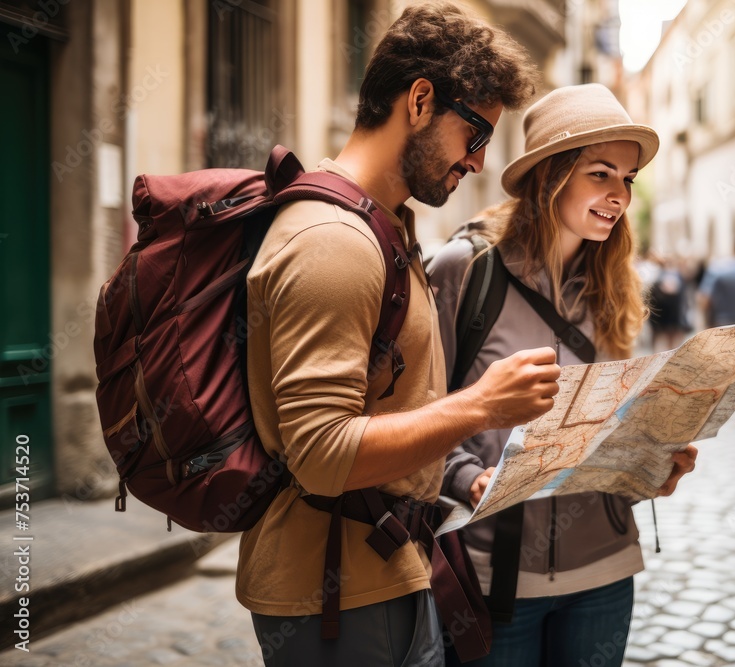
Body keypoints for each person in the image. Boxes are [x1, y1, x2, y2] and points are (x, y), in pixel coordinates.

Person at [236, 5, 552, 665]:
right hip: (338, 598)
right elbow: (321, 453)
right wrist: (482, 405)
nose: (480, 159)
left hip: (381, 571)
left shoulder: (379, 224)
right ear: (419, 100)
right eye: (474, 131)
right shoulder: (335, 241)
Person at [427, 84, 698, 667]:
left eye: (627, 178)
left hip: (604, 569)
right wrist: (469, 477)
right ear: (551, 176)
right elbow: (417, 410)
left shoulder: (614, 286)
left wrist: (653, 465)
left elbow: (615, 421)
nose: (619, 194)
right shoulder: (464, 270)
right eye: (601, 174)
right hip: (492, 572)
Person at [649, 255, 692, 351]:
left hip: (663, 314)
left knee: (663, 339)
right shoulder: (678, 276)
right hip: (672, 314)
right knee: (672, 340)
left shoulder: (658, 276)